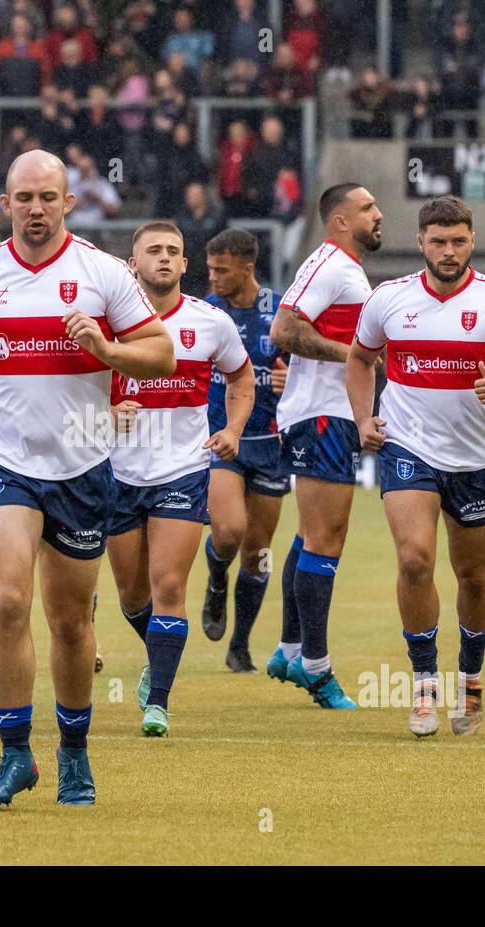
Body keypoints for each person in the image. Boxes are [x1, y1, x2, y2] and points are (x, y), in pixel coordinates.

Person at [0, 149, 174, 808]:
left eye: (48, 196)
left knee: (69, 622)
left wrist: (108, 351)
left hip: (83, 468)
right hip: (4, 463)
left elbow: (162, 354)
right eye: (23, 197)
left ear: (69, 201)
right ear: (5, 204)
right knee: (7, 601)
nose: (36, 208)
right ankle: (13, 755)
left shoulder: (104, 273)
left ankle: (74, 752)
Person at [346, 195, 485, 738]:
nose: (448, 250)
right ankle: (422, 688)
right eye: (438, 241)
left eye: (458, 240)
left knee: (474, 574)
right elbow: (360, 358)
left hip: (477, 460)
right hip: (407, 449)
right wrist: (363, 417)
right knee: (415, 559)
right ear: (420, 243)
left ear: (471, 242)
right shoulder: (387, 299)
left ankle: (472, 677)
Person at [107, 220, 254, 737]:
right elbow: (77, 389)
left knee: (168, 585)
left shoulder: (210, 322)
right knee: (131, 595)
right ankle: (157, 656)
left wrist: (233, 428)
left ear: (186, 265)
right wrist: (105, 410)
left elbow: (241, 378)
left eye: (173, 251)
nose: (164, 258)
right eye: (153, 251)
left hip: (183, 470)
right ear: (133, 262)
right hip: (117, 473)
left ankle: (159, 703)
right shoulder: (108, 324)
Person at [268, 183, 381, 708]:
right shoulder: (330, 263)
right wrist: (355, 355)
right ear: (339, 221)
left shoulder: (347, 268)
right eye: (367, 208)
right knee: (325, 541)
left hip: (327, 416)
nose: (378, 215)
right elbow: (284, 329)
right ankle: (317, 668)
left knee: (310, 535)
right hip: (321, 417)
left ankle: (290, 648)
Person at [199, 228, 288, 673]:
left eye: (222, 270)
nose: (212, 277)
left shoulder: (281, 311)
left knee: (258, 553)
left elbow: (309, 369)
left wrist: (293, 382)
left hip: (270, 444)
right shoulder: (206, 312)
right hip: (222, 440)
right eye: (210, 268)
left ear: (248, 268)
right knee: (229, 531)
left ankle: (240, 646)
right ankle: (216, 578)